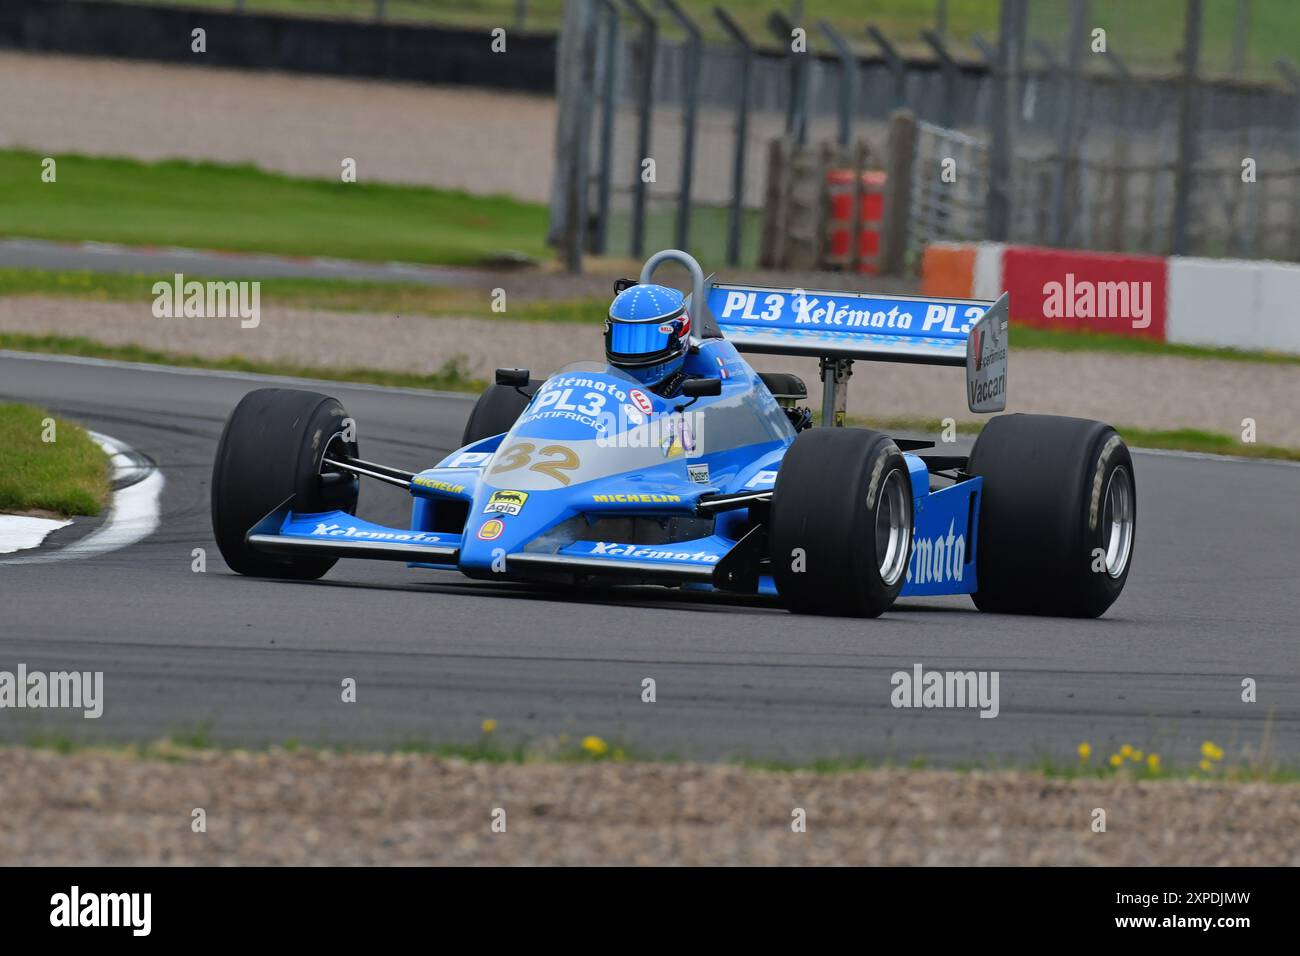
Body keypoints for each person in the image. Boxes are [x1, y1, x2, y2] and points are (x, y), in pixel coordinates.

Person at [604, 282, 699, 398]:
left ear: (678, 338)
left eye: (646, 341)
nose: (632, 352)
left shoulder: (691, 393)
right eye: (623, 340)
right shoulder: (604, 384)